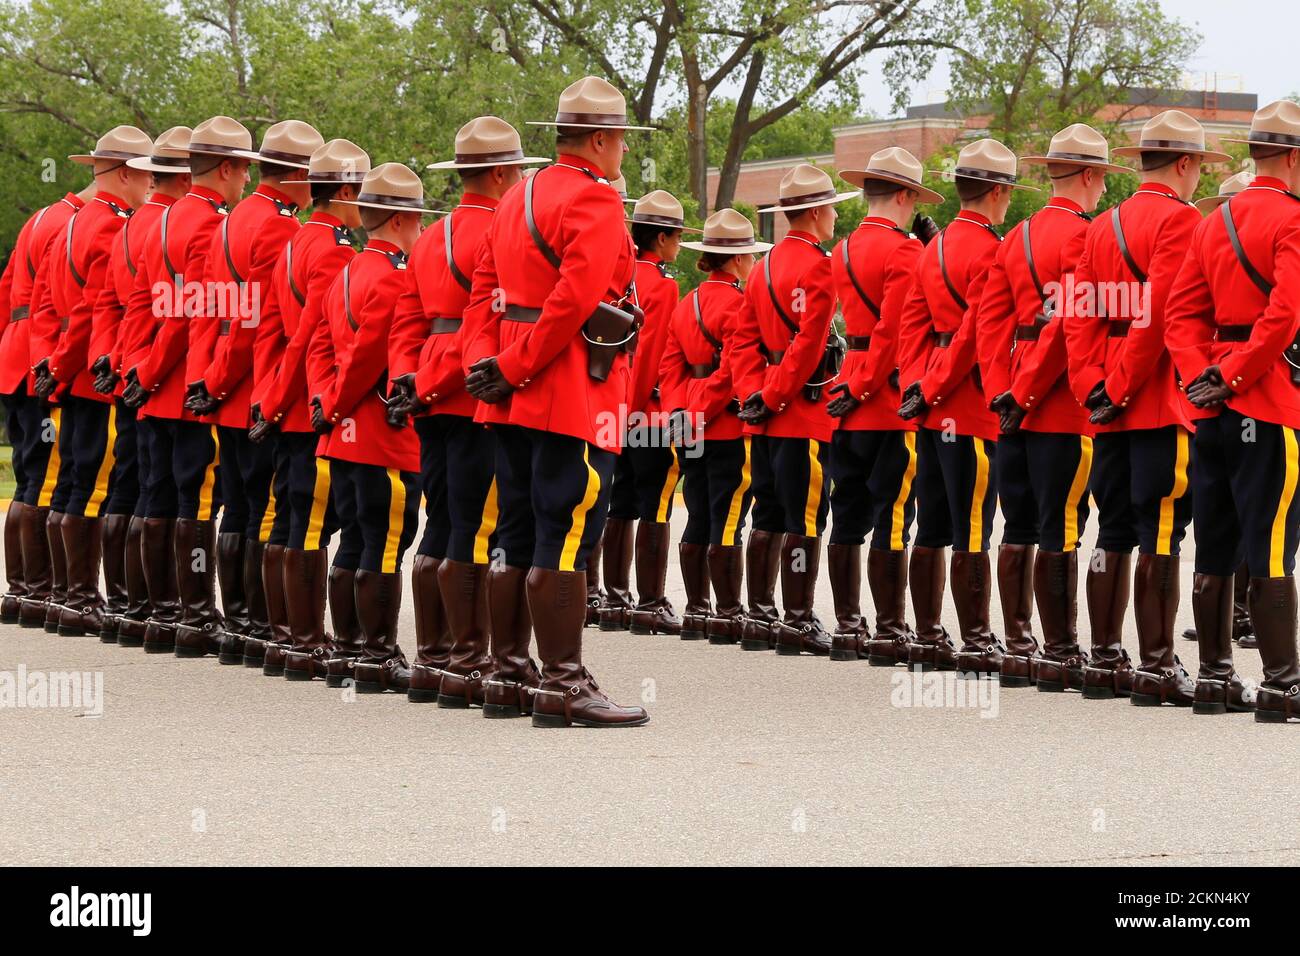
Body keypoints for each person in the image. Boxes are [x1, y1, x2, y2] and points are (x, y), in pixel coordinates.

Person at [462, 75, 653, 727]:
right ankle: (562, 683)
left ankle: (508, 675)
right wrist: (515, 364)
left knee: (515, 530)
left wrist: (485, 363)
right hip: (569, 385)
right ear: (600, 139)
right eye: (620, 140)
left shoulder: (517, 196)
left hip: (511, 391)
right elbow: (574, 301)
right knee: (567, 532)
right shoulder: (595, 202)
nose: (622, 152)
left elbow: (483, 291)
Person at [1062, 110, 1224, 704]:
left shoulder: (1101, 224)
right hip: (1153, 398)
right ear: (1184, 164)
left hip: (1106, 400)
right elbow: (1157, 315)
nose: (1200, 179)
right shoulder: (1181, 221)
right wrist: (1125, 384)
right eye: (1200, 167)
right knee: (1161, 532)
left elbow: (1079, 311)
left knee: (1112, 529)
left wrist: (1092, 385)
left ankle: (1105, 659)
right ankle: (1155, 666)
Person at [386, 116, 546, 706]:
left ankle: (434, 661)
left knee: (444, 520)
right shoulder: (504, 232)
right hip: (476, 388)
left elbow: (409, 322)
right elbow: (480, 328)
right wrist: (432, 382)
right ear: (503, 172)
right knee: (481, 529)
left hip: (431, 390)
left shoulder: (429, 237)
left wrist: (409, 380)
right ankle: (469, 661)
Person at [1165, 99, 1300, 722]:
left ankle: (1215, 678)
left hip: (1211, 403)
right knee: (1271, 542)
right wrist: (1237, 374)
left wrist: (1202, 377)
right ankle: (1282, 682)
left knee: (1214, 540)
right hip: (1265, 396)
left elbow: (1181, 316)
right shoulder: (1292, 220)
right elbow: (1285, 316)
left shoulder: (1211, 223)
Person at [977, 124, 1125, 688]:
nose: (1104, 191)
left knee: (1016, 521)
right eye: (1103, 179)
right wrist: (1028, 391)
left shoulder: (1015, 236)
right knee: (1061, 523)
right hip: (1057, 402)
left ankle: (1018, 645)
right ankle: (1059, 650)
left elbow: (990, 322)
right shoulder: (1086, 237)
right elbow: (1068, 325)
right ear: (1088, 176)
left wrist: (1001, 389)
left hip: (1013, 398)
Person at [182, 120, 324, 670]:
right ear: (296, 177)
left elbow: (206, 312)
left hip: (227, 378)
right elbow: (252, 322)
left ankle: (244, 622)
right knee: (263, 506)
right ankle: (262, 623)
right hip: (256, 383)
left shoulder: (232, 220)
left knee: (240, 506)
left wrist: (204, 378)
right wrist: (223, 382)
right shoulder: (276, 228)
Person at [121, 116, 257, 654]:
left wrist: (136, 369)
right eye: (244, 168)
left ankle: (160, 614)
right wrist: (159, 373)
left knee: (159, 494)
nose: (245, 179)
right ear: (225, 168)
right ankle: (194, 615)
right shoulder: (208, 224)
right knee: (196, 501)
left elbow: (142, 303)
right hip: (185, 380)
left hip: (158, 379)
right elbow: (187, 313)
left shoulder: (166, 217)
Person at [896, 139, 1032, 672]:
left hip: (931, 408)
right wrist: (934, 387)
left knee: (931, 522)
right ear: (998, 191)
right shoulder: (991, 250)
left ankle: (929, 635)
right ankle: (976, 637)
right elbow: (977, 335)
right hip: (970, 403)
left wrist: (916, 385)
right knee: (973, 525)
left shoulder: (932, 249)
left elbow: (913, 325)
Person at [26, 126, 154, 638]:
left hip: (73, 369)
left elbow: (43, 306)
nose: (151, 183)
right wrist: (69, 364)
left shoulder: (77, 222)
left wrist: (50, 363)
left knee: (74, 484)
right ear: (124, 173)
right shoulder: (109, 227)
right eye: (146, 173)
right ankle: (78, 599)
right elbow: (86, 313)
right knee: (94, 486)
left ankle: (64, 595)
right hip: (92, 374)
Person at [249, 138, 368, 683]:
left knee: (291, 518)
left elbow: (273, 333)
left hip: (286, 399)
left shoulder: (297, 242)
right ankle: (303, 641)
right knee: (311, 523)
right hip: (310, 405)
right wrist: (289, 402)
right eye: (361, 192)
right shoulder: (338, 250)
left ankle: (283, 638)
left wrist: (267, 398)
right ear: (344, 190)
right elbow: (307, 338)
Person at [312, 162, 431, 693]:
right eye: (419, 220)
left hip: (345, 431)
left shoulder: (348, 272)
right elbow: (366, 359)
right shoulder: (392, 277)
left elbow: (320, 347)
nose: (423, 230)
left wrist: (326, 403)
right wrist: (338, 404)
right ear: (402, 220)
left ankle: (346, 650)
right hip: (379, 429)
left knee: (358, 539)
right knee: (385, 541)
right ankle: (376, 654)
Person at [729, 164, 855, 656]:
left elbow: (742, 340)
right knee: (804, 519)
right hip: (799, 410)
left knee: (768, 513)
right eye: (831, 212)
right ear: (819, 211)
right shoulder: (819, 266)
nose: (833, 222)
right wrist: (777, 394)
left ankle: (760, 616)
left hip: (766, 413)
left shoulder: (761, 267)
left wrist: (753, 394)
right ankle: (797, 619)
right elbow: (809, 345)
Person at [825, 147, 939, 663]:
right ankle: (891, 629)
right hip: (888, 396)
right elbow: (895, 332)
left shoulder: (842, 248)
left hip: (849, 393)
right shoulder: (906, 253)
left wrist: (854, 386)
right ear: (904, 195)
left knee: (846, 513)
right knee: (894, 514)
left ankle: (849, 626)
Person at [91, 127, 194, 647]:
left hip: (135, 373)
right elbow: (172, 313)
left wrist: (117, 363)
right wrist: (147, 371)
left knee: (132, 488)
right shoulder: (178, 226)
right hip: (168, 377)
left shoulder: (134, 227)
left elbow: (114, 306)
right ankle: (168, 609)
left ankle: (132, 608)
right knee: (175, 497)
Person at [660, 208, 770, 644]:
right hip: (723, 423)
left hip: (689, 424)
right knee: (727, 519)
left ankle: (696, 609)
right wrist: (704, 409)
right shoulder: (740, 304)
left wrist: (680, 413)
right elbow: (733, 370)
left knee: (700, 513)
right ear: (740, 260)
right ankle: (726, 612)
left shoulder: (687, 303)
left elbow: (671, 368)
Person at [1, 178, 95, 631]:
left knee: (27, 476)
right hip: (41, 357)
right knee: (46, 474)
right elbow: (60, 305)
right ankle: (38, 590)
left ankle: (23, 590)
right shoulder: (72, 225)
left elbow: (7, 291)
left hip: (14, 355)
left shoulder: (39, 217)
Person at [598, 189, 687, 636]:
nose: (678, 245)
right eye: (676, 237)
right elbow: (651, 353)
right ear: (664, 238)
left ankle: (613, 599)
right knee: (657, 503)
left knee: (619, 502)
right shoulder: (664, 285)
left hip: (613, 406)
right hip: (647, 411)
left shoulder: (621, 274)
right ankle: (650, 602)